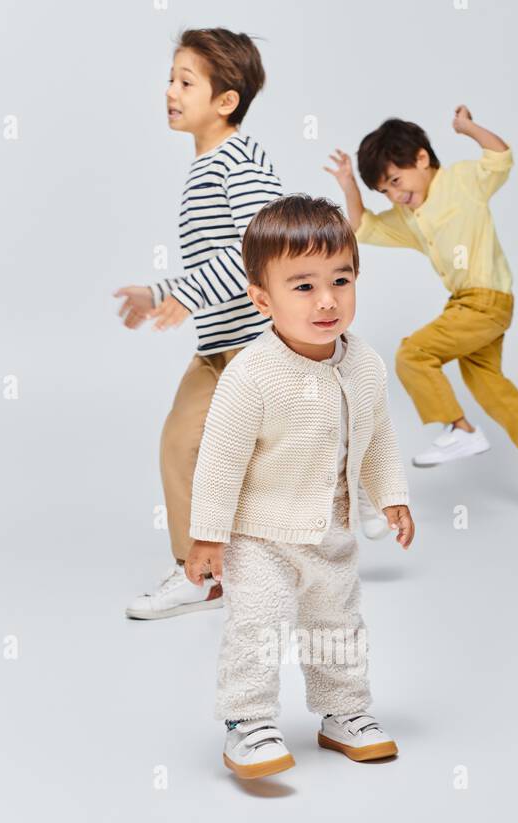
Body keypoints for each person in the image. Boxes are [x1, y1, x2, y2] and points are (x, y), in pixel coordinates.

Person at [184, 196, 415, 779]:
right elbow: (219, 461)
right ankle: (249, 721)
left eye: (341, 279)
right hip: (260, 536)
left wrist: (392, 495)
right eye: (303, 287)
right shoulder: (252, 375)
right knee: (258, 627)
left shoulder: (364, 364)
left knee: (337, 624)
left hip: (330, 532)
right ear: (262, 299)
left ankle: (343, 711)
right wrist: (207, 537)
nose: (328, 300)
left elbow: (378, 434)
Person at [326, 107, 518, 516]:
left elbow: (500, 157)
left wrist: (468, 129)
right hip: (469, 304)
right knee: (487, 384)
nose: (395, 195)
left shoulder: (462, 181)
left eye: (396, 181)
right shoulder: (409, 217)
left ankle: (459, 429)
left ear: (422, 160)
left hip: (486, 300)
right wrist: (348, 185)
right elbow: (362, 228)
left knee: (413, 353)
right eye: (385, 191)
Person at [114, 28, 282, 619]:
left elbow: (260, 245)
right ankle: (202, 572)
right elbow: (211, 258)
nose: (170, 92)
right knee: (181, 444)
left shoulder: (242, 158)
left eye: (186, 82)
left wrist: (186, 293)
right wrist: (161, 290)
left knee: (265, 454)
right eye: (170, 79)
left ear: (225, 101)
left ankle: (344, 498)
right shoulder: (203, 167)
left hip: (256, 345)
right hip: (218, 345)